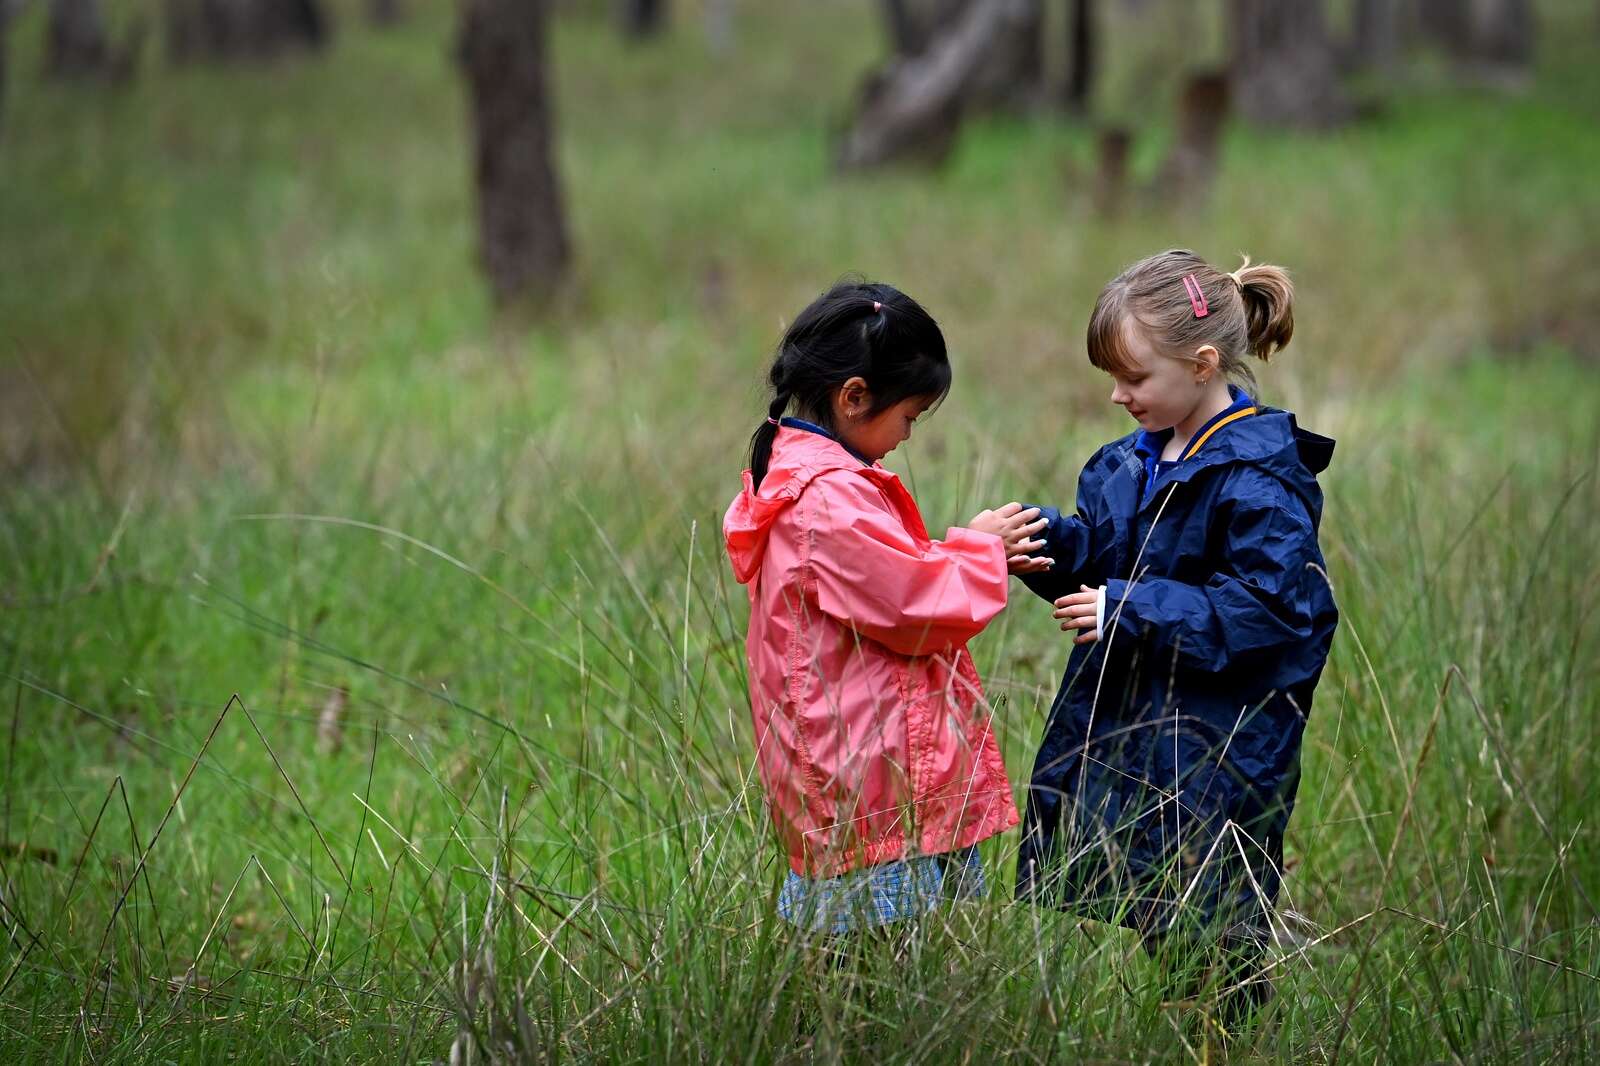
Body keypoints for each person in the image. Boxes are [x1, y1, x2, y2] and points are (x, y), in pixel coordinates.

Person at [1010, 250, 1339, 1025]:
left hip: (1224, 747)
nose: (1118, 396)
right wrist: (1044, 545)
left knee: (1216, 929)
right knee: (1164, 914)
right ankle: (1192, 1035)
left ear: (1201, 363)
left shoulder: (1259, 476)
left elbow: (1269, 609)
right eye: (1113, 378)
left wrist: (1127, 608)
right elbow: (1108, 555)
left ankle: (1231, 1040)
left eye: (1134, 378)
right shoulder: (1128, 462)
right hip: (1144, 735)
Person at [723, 279, 1046, 939]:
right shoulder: (827, 501)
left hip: (860, 787)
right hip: (870, 795)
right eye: (909, 416)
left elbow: (879, 588)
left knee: (883, 965)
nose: (906, 436)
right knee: (874, 974)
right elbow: (913, 603)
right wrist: (979, 547)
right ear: (854, 397)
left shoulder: (804, 482)